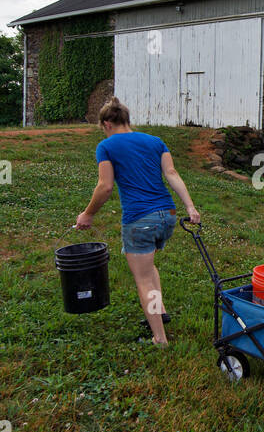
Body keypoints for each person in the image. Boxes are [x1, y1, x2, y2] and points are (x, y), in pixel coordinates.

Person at [74, 97, 200, 345]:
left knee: (143, 279)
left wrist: (87, 214)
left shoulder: (107, 146)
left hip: (140, 220)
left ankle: (160, 339)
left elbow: (105, 186)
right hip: (168, 216)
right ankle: (159, 310)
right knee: (149, 266)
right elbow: (172, 174)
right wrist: (190, 206)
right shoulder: (155, 141)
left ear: (107, 123)